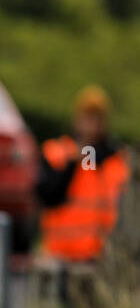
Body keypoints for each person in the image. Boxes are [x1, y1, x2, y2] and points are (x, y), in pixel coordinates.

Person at [36, 85, 130, 263]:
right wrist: (73, 163)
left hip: (102, 257)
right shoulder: (58, 152)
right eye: (88, 117)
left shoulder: (116, 159)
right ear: (76, 119)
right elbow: (47, 196)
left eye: (97, 118)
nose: (92, 124)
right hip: (60, 254)